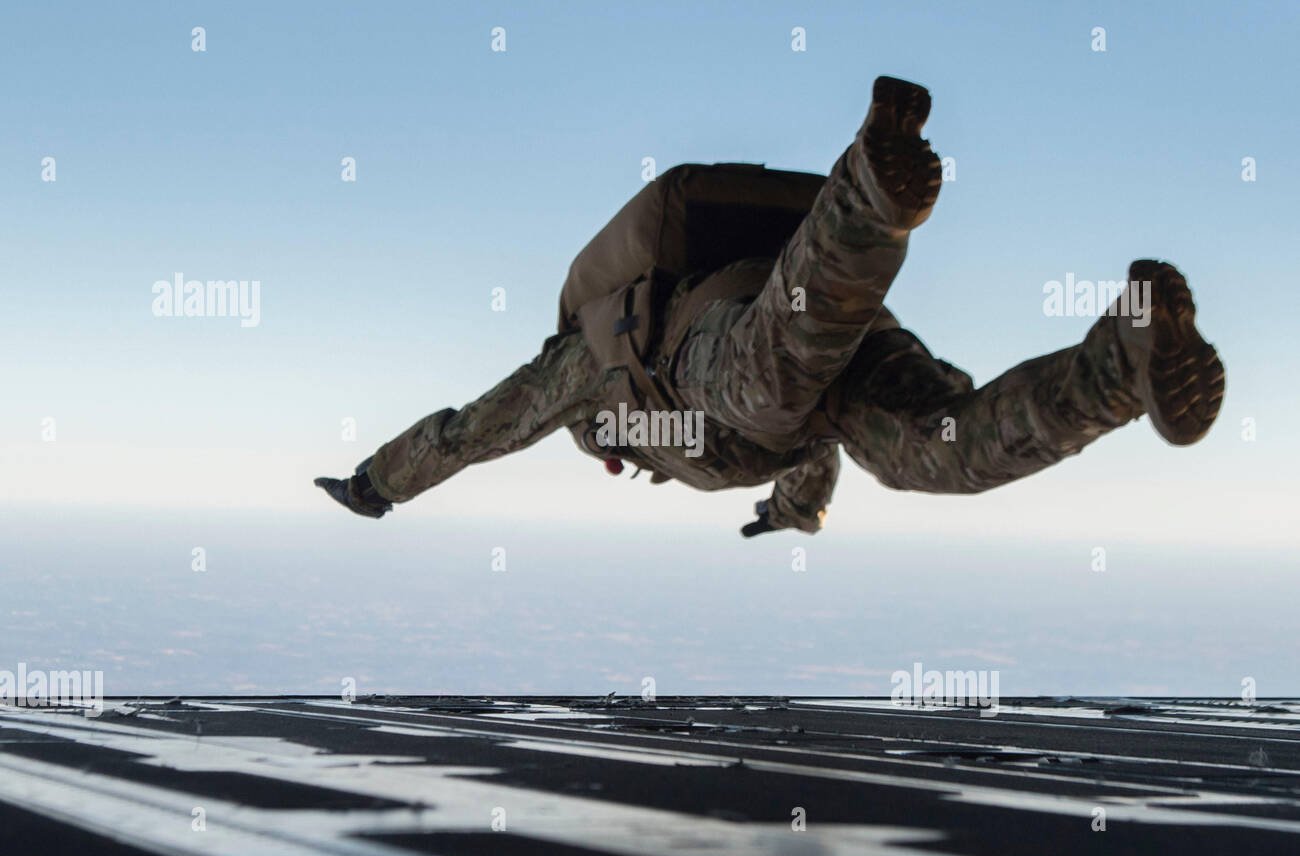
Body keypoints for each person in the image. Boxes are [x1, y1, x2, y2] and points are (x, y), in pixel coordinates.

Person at [316, 77, 1224, 536]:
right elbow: (804, 451)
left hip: (732, 339)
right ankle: (1126, 361)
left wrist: (377, 484)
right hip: (836, 349)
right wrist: (790, 515)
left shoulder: (581, 367)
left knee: (761, 384)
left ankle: (868, 191)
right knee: (940, 453)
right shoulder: (715, 448)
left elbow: (471, 431)